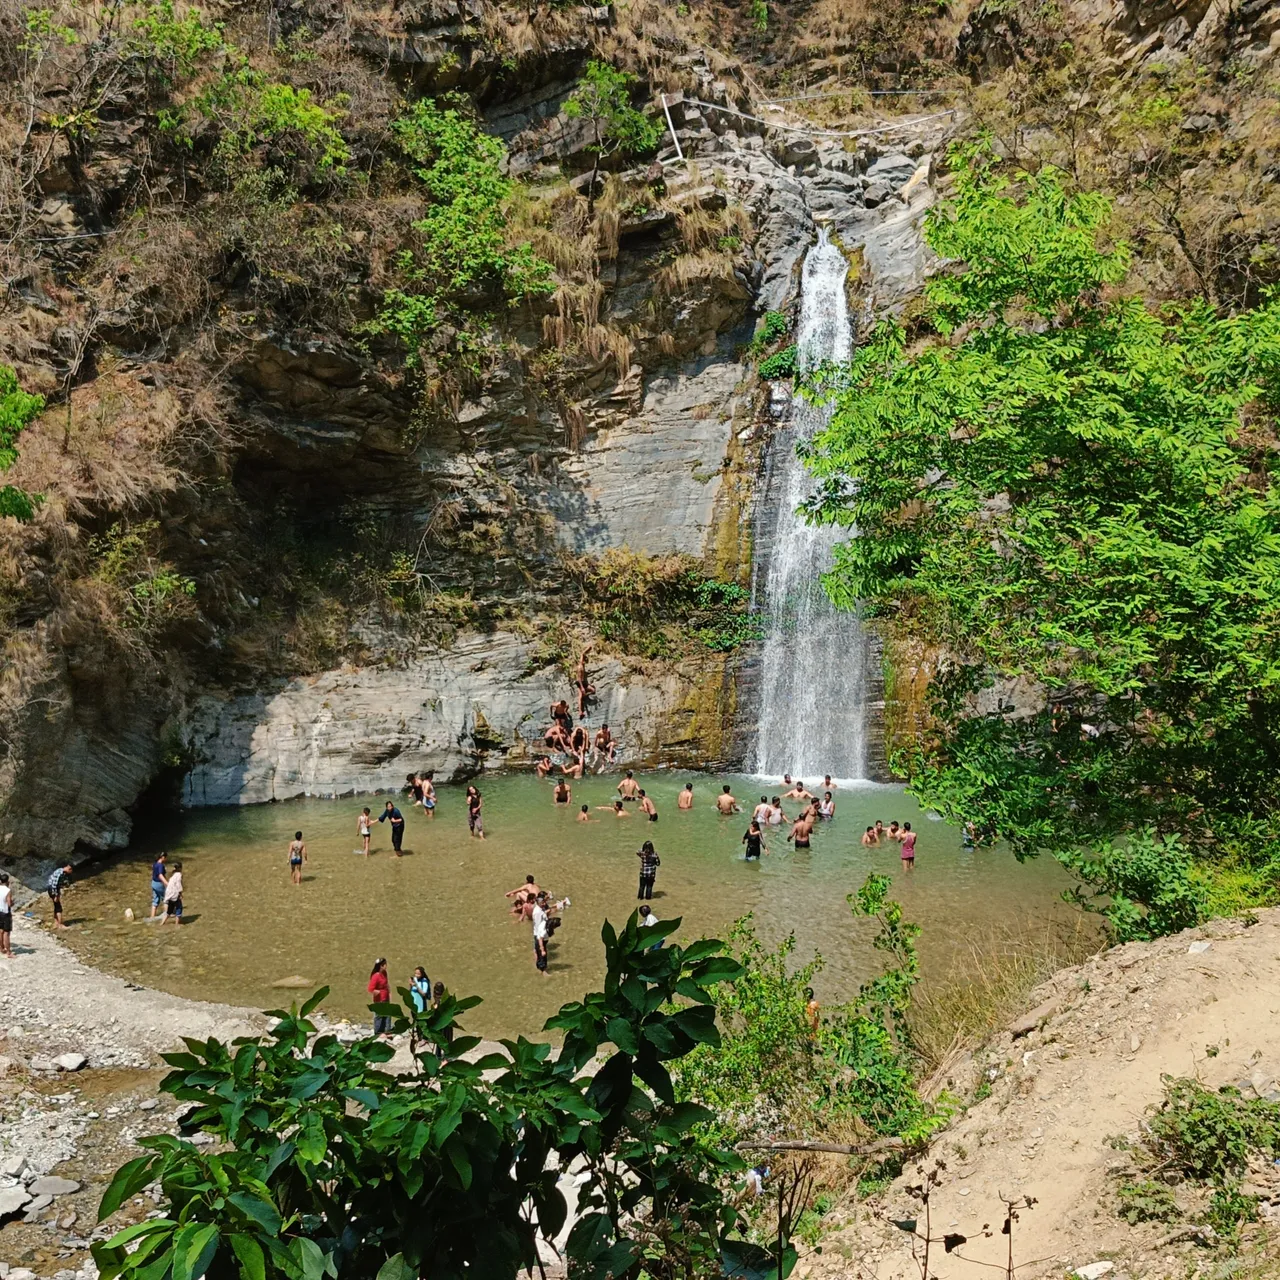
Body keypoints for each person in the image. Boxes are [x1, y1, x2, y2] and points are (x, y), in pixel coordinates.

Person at [368, 959, 391, 1036]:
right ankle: (378, 1032)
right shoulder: (376, 976)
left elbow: (386, 983)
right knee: (379, 1015)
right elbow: (370, 988)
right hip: (379, 999)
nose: (386, 966)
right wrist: (376, 992)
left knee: (387, 1014)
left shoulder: (384, 973)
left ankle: (387, 1030)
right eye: (385, 964)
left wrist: (389, 992)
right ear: (381, 966)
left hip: (386, 997)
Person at [47, 863, 71, 929]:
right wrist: (56, 894)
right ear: (69, 868)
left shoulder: (60, 871)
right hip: (53, 889)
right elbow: (55, 884)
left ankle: (56, 923)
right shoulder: (60, 874)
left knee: (56, 905)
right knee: (58, 908)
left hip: (50, 888)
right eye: (70, 871)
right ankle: (60, 925)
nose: (70, 872)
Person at [575, 645, 596, 719]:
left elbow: (582, 654)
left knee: (593, 690)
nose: (585, 662)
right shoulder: (580, 667)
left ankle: (585, 695)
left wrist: (588, 649)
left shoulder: (582, 664)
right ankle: (580, 712)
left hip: (584, 683)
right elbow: (579, 679)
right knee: (580, 697)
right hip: (580, 683)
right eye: (585, 661)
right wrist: (582, 688)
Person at [531, 894, 550, 975]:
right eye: (542, 902)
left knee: (539, 952)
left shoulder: (539, 909)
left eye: (544, 902)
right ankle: (543, 970)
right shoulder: (538, 912)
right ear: (538, 903)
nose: (544, 904)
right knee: (542, 953)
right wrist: (541, 947)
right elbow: (539, 928)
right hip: (539, 936)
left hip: (540, 935)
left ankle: (540, 968)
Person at [149, 852, 169, 919]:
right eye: (166, 858)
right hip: (159, 884)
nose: (166, 859)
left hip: (153, 883)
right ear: (163, 857)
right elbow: (160, 875)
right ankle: (166, 914)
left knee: (155, 900)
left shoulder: (155, 864)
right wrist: (167, 883)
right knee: (166, 899)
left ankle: (152, 917)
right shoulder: (161, 865)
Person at [0, 872, 13, 959]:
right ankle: (8, 952)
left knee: (0, 931)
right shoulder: (8, 890)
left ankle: (1, 948)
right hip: (5, 912)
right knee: (6, 933)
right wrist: (12, 902)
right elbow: (9, 903)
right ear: (7, 881)